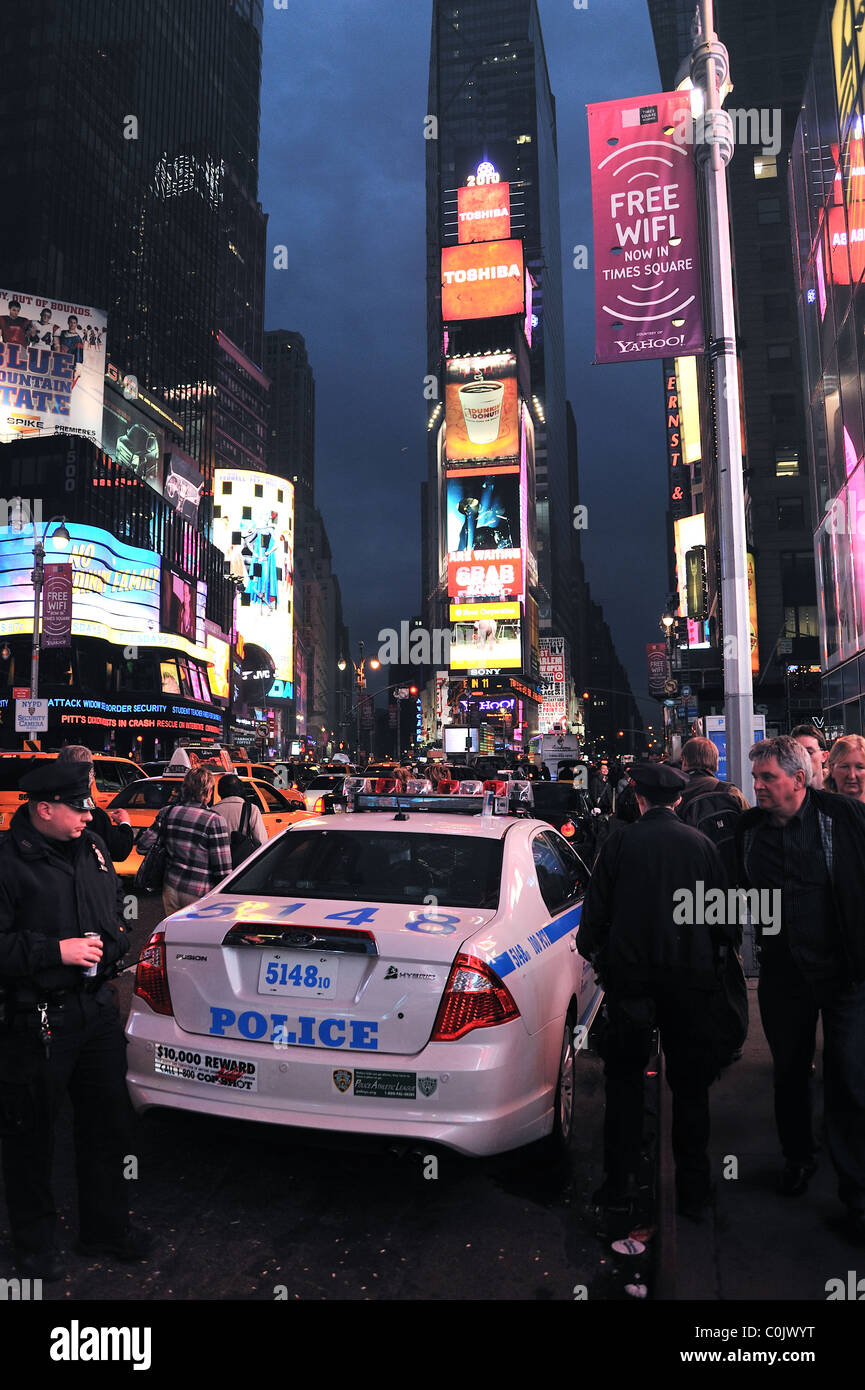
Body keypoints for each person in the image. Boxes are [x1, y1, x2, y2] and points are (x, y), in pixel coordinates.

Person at [0, 762, 151, 1280]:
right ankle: (32, 1249)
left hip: (95, 1011)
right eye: (79, 805)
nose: (91, 813)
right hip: (35, 1020)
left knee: (108, 1126)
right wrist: (55, 951)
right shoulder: (7, 861)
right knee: (31, 1137)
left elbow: (116, 917)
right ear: (44, 809)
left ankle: (106, 1229)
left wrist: (111, 945)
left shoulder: (91, 850)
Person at [577, 763, 732, 1220]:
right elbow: (723, 923)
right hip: (691, 985)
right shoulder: (702, 846)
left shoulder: (619, 844)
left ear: (639, 799)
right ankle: (695, 1191)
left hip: (630, 987)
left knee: (623, 1085)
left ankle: (619, 1186)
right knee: (690, 1089)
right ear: (678, 801)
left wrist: (607, 964)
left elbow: (591, 928)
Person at [736, 736, 865, 1241]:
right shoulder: (748, 831)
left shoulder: (844, 818)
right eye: (757, 777)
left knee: (848, 1078)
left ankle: (855, 1193)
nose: (758, 786)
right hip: (784, 977)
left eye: (767, 777)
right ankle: (798, 1159)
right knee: (789, 1073)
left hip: (845, 975)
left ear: (798, 778)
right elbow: (731, 893)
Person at [138, 767, 232, 916]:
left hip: (171, 888)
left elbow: (143, 846)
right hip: (199, 892)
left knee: (173, 933)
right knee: (195, 937)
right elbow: (222, 870)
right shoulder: (214, 820)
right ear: (207, 792)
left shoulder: (167, 812)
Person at [56, 745, 133, 864]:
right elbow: (119, 851)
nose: (87, 817)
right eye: (92, 771)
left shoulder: (41, 809)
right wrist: (125, 824)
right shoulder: (95, 816)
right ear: (89, 774)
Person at [212, 775, 267, 849]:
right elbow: (261, 842)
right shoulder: (251, 809)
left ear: (219, 791)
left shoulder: (212, 811)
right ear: (241, 790)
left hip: (219, 858)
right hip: (245, 859)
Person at [826, 733, 865, 804]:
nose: (852, 776)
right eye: (845, 767)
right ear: (832, 769)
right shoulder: (819, 812)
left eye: (859, 767)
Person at [791, 724, 829, 791]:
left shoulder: (839, 794)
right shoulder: (785, 797)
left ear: (824, 756)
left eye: (809, 752)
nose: (802, 758)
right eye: (797, 753)